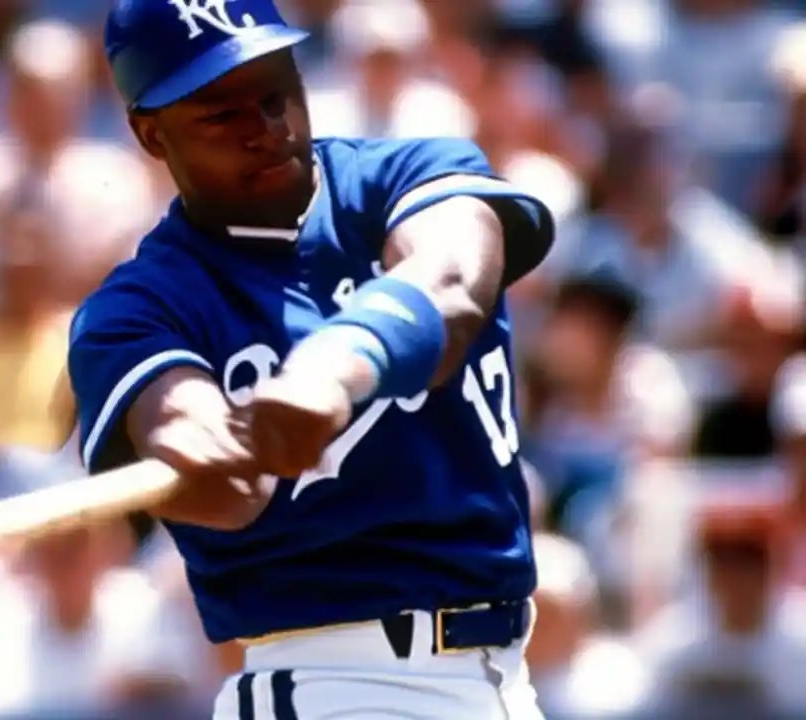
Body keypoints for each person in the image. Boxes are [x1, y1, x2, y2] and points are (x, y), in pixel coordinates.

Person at [67, 1, 555, 717]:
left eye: (276, 90)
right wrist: (214, 443)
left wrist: (333, 367)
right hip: (334, 683)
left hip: (502, 675)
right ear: (151, 133)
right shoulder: (135, 308)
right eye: (222, 112)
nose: (267, 127)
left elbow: (451, 286)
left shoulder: (403, 175)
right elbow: (207, 466)